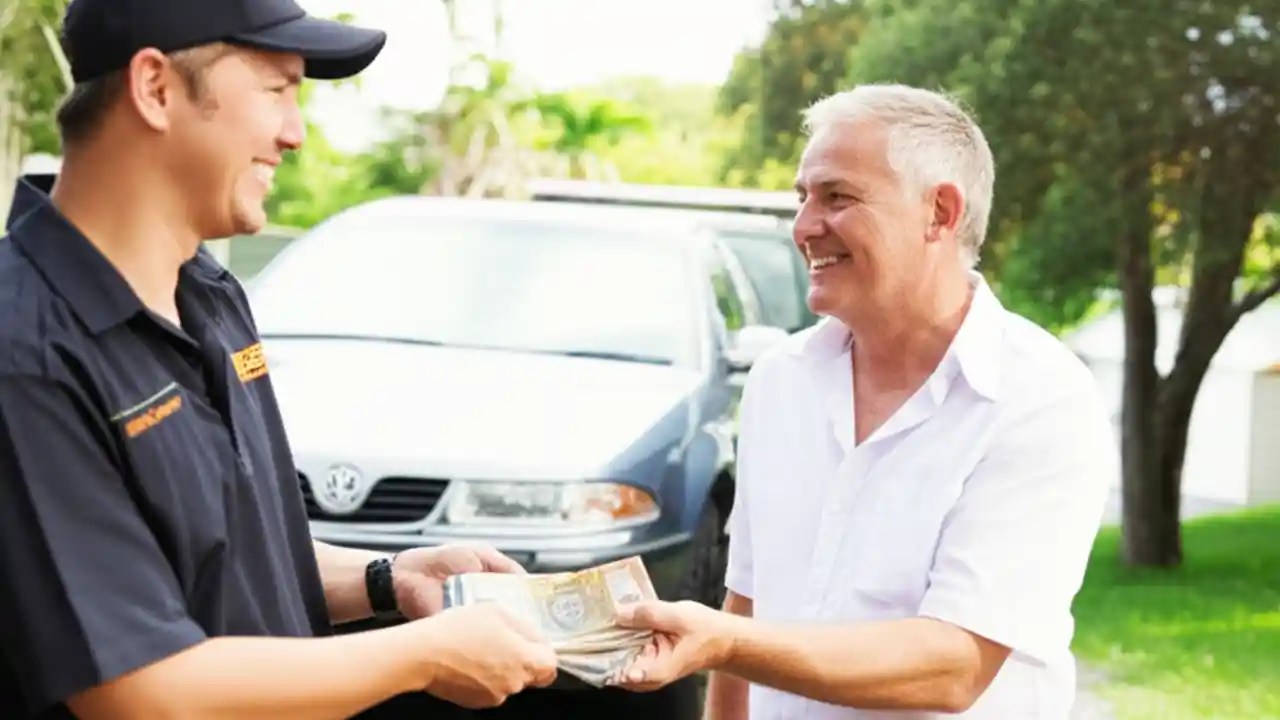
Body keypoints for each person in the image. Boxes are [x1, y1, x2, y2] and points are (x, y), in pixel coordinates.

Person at [0, 1, 557, 718]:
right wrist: (425, 654)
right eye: (276, 91)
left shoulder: (209, 293)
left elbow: (223, 554)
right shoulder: (25, 349)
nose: (295, 133)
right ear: (156, 88)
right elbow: (140, 691)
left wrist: (389, 578)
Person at [608, 84, 1117, 718]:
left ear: (940, 212)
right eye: (802, 197)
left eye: (837, 197)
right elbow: (748, 602)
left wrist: (724, 642)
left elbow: (955, 666)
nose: (803, 227)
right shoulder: (779, 381)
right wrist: (726, 646)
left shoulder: (1040, 399)